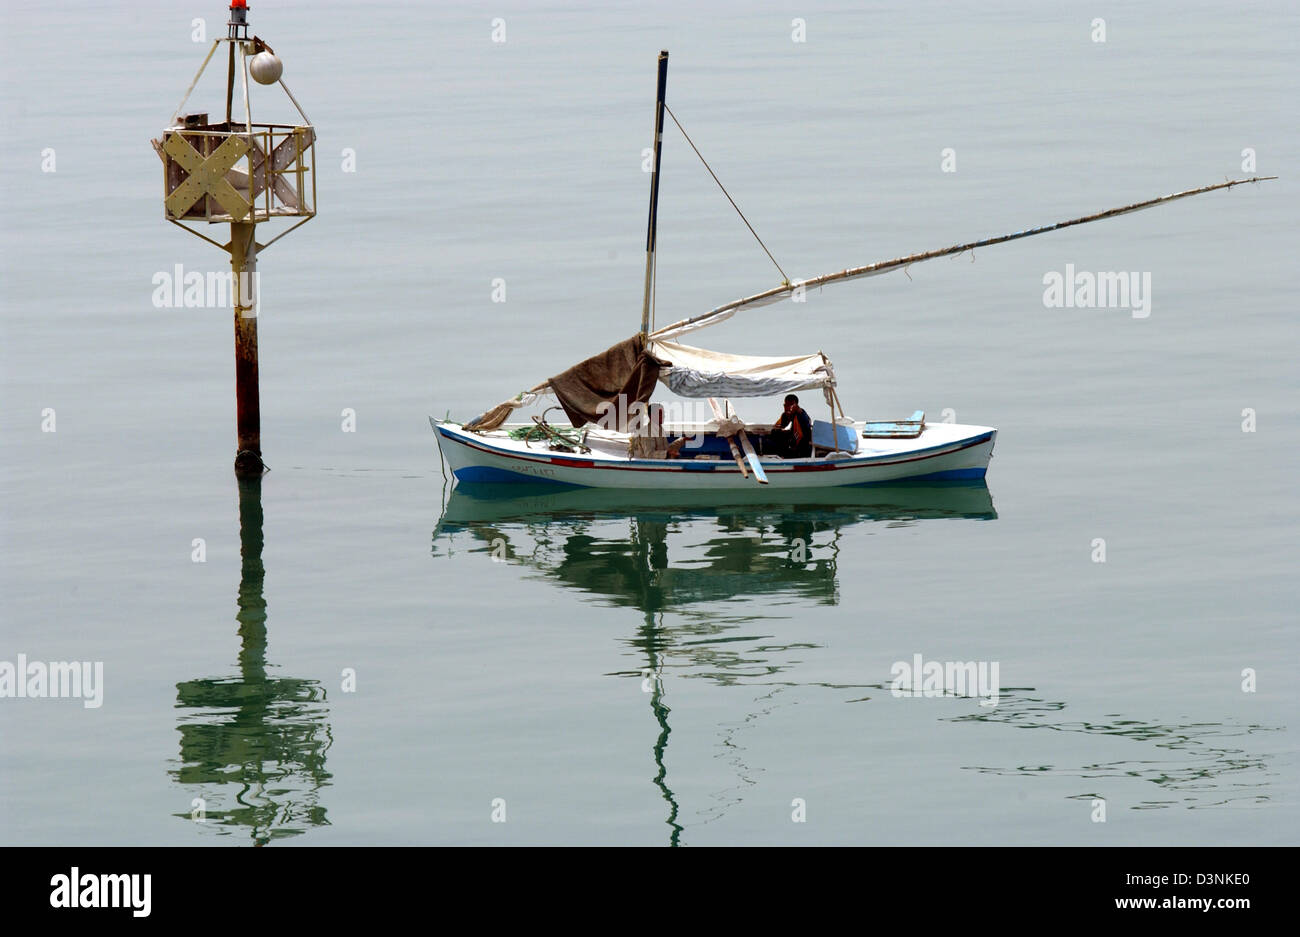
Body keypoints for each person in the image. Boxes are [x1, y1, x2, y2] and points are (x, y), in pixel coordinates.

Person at [769, 394, 812, 458]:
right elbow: (779, 426)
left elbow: (806, 422)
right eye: (785, 405)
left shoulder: (801, 414)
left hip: (802, 447)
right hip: (791, 444)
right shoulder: (785, 415)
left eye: (790, 405)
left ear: (796, 406)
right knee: (775, 433)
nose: (787, 408)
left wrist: (798, 410)